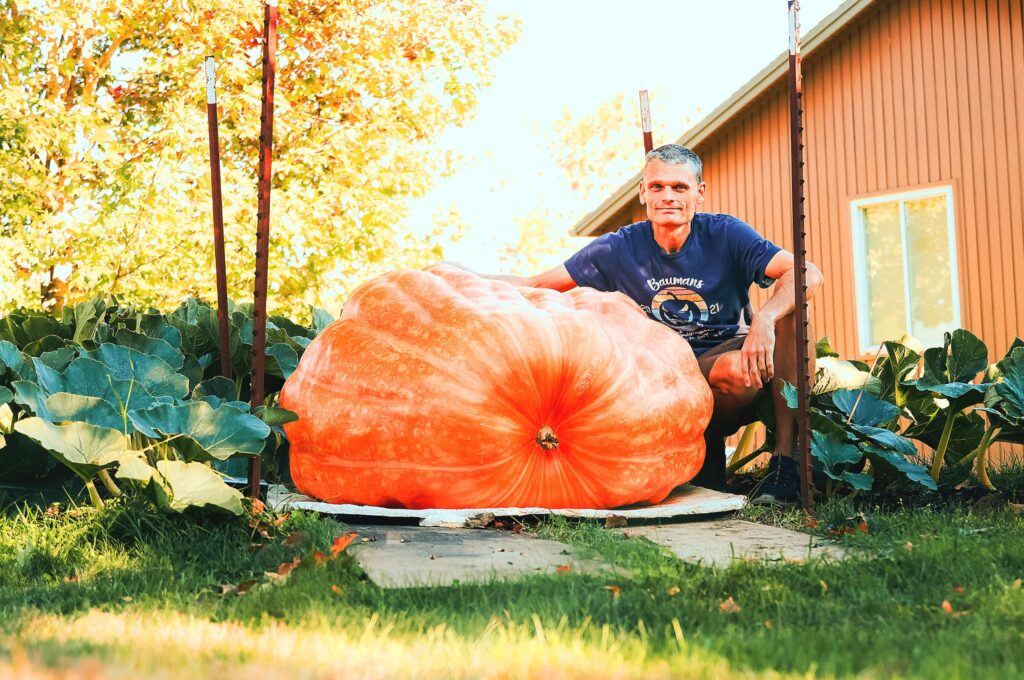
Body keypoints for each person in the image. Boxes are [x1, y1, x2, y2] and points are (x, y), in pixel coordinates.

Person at [478, 144, 823, 506]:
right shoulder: (618, 248)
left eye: (680, 187)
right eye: (657, 187)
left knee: (788, 313)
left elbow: (808, 274)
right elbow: (538, 284)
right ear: (643, 192)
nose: (667, 196)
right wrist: (463, 281)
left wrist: (765, 318)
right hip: (661, 385)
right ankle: (699, 455)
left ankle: (787, 461)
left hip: (730, 368)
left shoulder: (726, 234)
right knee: (724, 373)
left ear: (699, 194)